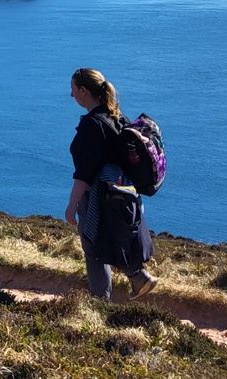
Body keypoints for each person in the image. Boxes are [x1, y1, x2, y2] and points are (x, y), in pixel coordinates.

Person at [65, 67, 159, 300]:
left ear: (84, 91)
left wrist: (71, 206)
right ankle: (138, 277)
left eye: (73, 89)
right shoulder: (118, 117)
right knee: (113, 240)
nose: (71, 95)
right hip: (123, 193)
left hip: (98, 197)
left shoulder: (91, 125)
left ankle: (100, 302)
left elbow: (84, 174)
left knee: (93, 247)